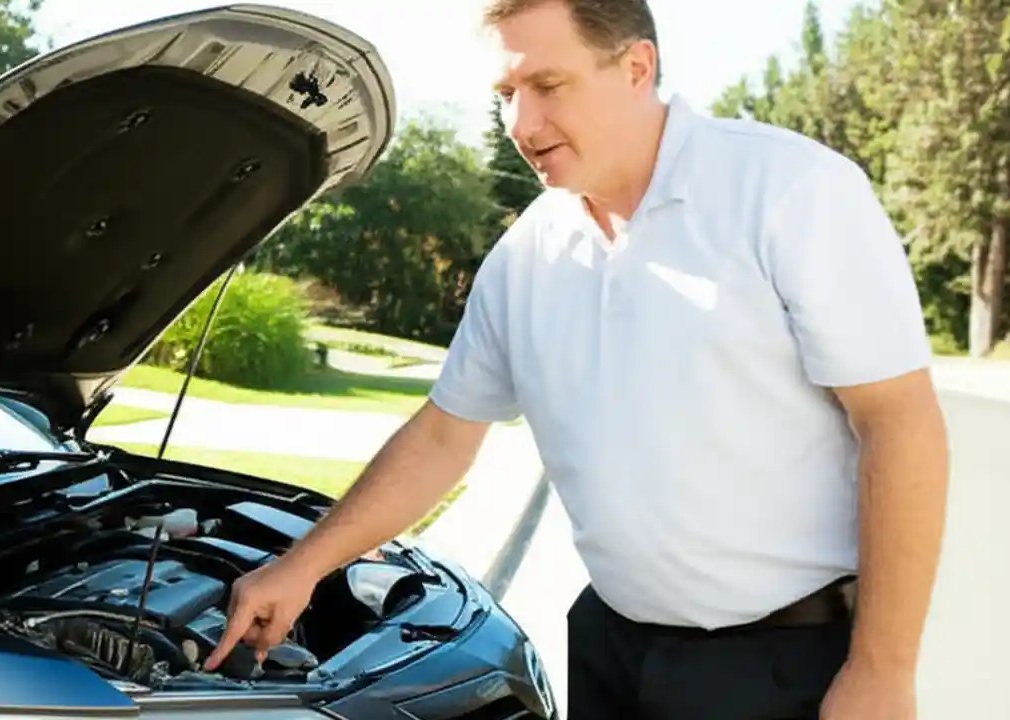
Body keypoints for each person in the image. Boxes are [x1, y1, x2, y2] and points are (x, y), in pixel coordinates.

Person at [204, 0, 950, 717]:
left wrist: (883, 671)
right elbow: (442, 436)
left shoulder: (789, 192)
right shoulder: (525, 255)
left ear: (635, 66)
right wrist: (302, 566)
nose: (522, 125)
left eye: (548, 85)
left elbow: (899, 423)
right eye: (506, 93)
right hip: (609, 648)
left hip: (781, 665)